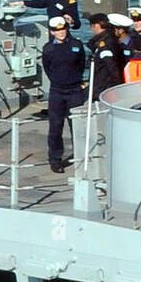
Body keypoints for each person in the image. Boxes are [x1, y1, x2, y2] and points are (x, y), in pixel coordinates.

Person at [40, 16, 86, 173]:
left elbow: (81, 64)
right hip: (57, 92)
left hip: (74, 90)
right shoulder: (48, 49)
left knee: (78, 125)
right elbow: (48, 68)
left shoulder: (76, 45)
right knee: (55, 126)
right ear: (52, 32)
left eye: (63, 29)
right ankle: (55, 159)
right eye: (57, 30)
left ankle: (81, 155)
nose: (61, 32)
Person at [86, 12, 126, 100]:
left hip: (104, 88)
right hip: (102, 85)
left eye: (92, 25)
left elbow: (112, 67)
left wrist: (116, 88)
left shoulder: (106, 44)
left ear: (96, 25)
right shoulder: (106, 40)